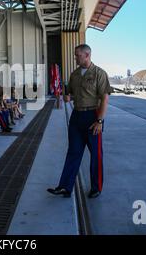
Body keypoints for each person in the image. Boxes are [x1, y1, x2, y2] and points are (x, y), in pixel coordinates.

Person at [47, 44, 111, 199]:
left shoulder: (99, 73)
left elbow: (105, 98)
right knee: (73, 152)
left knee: (96, 154)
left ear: (87, 55)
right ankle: (65, 187)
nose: (75, 57)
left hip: (93, 117)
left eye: (78, 55)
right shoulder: (74, 74)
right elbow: (70, 95)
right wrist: (67, 97)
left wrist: (100, 121)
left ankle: (96, 187)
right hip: (76, 117)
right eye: (75, 55)